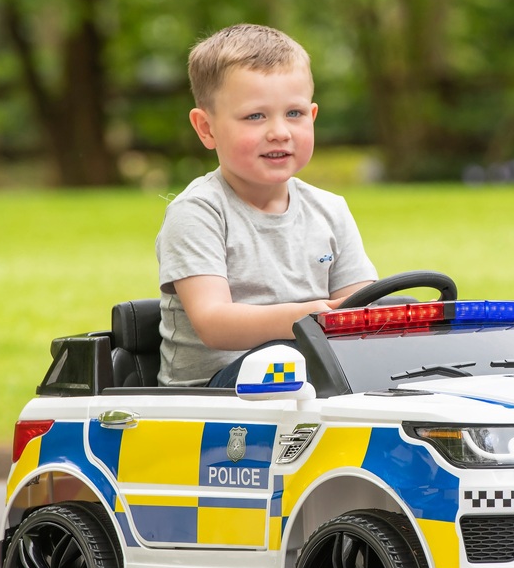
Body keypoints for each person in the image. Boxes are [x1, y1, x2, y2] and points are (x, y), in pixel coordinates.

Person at [156, 23, 377, 387]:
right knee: (294, 363)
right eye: (255, 116)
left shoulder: (330, 209)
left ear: (313, 116)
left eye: (294, 114)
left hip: (311, 372)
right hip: (215, 394)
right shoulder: (198, 212)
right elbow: (213, 323)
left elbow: (361, 306)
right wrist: (310, 318)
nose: (280, 132)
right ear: (206, 128)